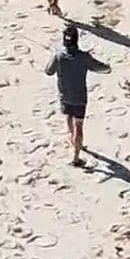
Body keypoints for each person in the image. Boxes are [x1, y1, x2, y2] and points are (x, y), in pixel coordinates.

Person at [46, 25, 108, 167]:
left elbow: (48, 71)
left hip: (64, 96)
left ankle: (73, 141)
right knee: (78, 125)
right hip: (79, 98)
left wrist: (54, 57)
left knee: (68, 117)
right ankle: (76, 156)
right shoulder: (83, 57)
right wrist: (108, 67)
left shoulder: (58, 55)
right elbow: (100, 68)